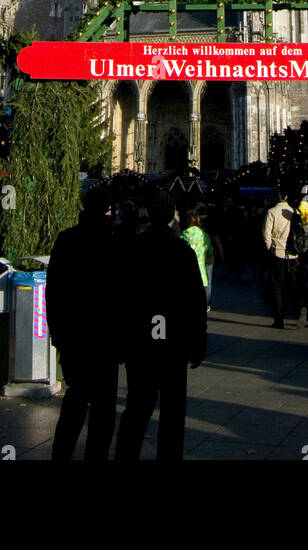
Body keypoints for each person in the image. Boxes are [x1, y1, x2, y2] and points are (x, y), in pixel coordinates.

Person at [115, 193, 207, 461]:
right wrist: (198, 343)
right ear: (171, 217)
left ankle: (125, 455)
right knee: (173, 412)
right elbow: (195, 303)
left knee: (137, 406)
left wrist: (121, 339)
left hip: (140, 343)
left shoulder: (134, 249)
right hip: (173, 346)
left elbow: (121, 297)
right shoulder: (182, 251)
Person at [45, 185, 119, 460]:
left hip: (74, 338)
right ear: (109, 211)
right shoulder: (115, 243)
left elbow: (53, 291)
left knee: (75, 399)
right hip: (106, 341)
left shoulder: (66, 240)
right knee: (103, 407)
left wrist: (58, 334)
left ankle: (60, 455)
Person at [262, 188, 296, 329]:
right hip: (293, 254)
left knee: (277, 286)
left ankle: (279, 318)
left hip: (277, 252)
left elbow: (266, 234)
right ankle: (299, 309)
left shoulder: (271, 212)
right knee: (292, 284)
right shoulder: (294, 212)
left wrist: (270, 248)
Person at [181, 210, 214, 309]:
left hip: (188, 269)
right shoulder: (204, 235)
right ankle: (206, 305)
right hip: (202, 268)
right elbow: (209, 252)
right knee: (206, 286)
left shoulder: (183, 235)